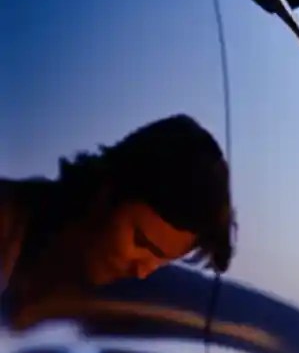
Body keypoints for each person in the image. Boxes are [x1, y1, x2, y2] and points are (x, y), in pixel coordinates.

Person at [0, 113, 235, 321]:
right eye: (141, 242)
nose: (141, 272)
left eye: (161, 261)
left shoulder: (85, 303)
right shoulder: (9, 224)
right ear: (107, 191)